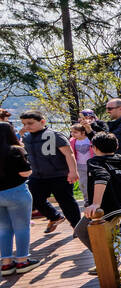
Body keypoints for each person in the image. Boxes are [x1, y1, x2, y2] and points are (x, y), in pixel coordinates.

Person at [73, 131, 121, 270]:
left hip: (110, 209)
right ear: (117, 146)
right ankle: (113, 258)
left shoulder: (95, 162)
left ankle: (106, 261)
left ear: (94, 148)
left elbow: (102, 177)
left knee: (81, 230)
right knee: (118, 234)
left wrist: (96, 204)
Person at [18, 111, 80, 233]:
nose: (26, 127)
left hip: (59, 176)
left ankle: (78, 228)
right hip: (37, 176)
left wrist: (73, 171)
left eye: (30, 123)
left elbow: (69, 153)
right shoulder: (26, 137)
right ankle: (54, 216)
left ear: (42, 122)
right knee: (32, 199)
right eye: (24, 124)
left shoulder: (55, 135)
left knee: (66, 202)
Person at [0, 120, 37, 276]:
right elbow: (25, 172)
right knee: (22, 227)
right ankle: (22, 260)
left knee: (3, 229)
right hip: (17, 192)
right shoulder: (15, 150)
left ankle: (6, 263)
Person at [70, 122, 95, 203]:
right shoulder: (72, 141)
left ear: (83, 132)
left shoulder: (90, 140)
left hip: (91, 165)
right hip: (80, 166)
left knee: (93, 183)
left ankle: (95, 199)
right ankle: (87, 200)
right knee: (82, 184)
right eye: (72, 132)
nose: (72, 134)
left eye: (75, 132)